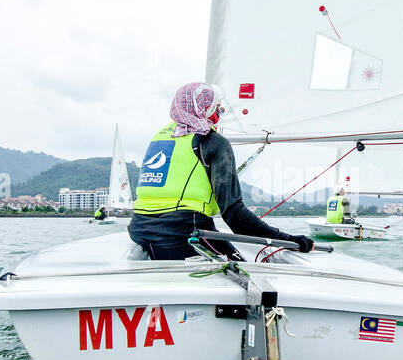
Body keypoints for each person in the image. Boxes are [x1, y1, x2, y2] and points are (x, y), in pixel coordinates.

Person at [129, 82, 314, 260]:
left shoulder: (160, 136)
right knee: (246, 270)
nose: (219, 111)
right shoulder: (213, 141)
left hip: (139, 231)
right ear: (207, 110)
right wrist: (288, 240)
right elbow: (235, 216)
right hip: (183, 233)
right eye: (217, 107)